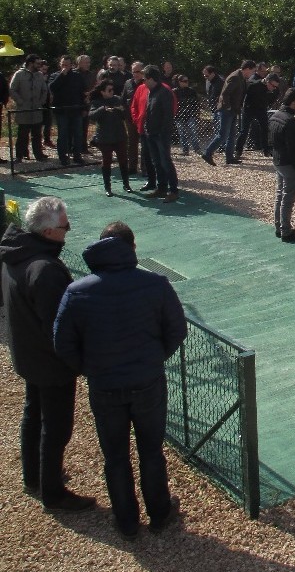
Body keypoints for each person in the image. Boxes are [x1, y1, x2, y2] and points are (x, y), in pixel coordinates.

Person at [54, 221, 187, 539]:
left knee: (115, 455)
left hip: (105, 386)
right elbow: (176, 330)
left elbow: (63, 343)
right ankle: (159, 512)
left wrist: (90, 368)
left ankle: (126, 520)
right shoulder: (156, 284)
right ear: (132, 248)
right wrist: (154, 359)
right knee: (151, 451)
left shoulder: (77, 292)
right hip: (147, 382)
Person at [0, 196, 96, 512]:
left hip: (26, 353)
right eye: (65, 225)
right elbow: (58, 325)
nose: (68, 229)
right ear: (50, 232)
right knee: (56, 426)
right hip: (49, 362)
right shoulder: (45, 270)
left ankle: (34, 476)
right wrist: (75, 359)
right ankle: (53, 491)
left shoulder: (16, 255)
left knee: (33, 413)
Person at [268, 87, 295, 242]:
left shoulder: (275, 116)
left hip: (278, 160)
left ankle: (279, 226)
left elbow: (269, 140)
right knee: (288, 198)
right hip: (288, 163)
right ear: (294, 102)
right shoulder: (290, 121)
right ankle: (286, 230)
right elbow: (294, 148)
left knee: (280, 194)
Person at [202, 60, 255, 166]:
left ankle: (229, 157)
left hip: (233, 110)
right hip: (227, 110)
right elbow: (225, 93)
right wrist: (228, 107)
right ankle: (207, 153)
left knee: (231, 135)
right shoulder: (235, 77)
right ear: (247, 69)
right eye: (252, 71)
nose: (252, 74)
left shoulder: (241, 77)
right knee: (223, 135)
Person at [142, 64, 179, 202]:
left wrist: (163, 133)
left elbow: (168, 115)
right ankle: (161, 187)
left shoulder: (164, 92)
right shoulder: (151, 92)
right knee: (156, 162)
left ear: (151, 79)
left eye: (145, 79)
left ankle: (173, 190)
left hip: (161, 134)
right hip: (151, 133)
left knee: (165, 162)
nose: (143, 82)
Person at [89, 80, 131, 196]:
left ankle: (126, 184)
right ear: (102, 92)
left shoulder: (117, 100)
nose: (112, 92)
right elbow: (91, 116)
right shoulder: (96, 102)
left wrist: (121, 110)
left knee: (123, 160)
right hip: (105, 137)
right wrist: (103, 109)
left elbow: (126, 115)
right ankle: (108, 187)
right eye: (109, 90)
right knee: (107, 161)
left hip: (119, 135)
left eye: (113, 90)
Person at [9, 53, 48, 162]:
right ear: (30, 63)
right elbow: (12, 90)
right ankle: (19, 156)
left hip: (36, 110)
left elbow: (44, 90)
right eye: (37, 63)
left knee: (37, 134)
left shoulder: (39, 75)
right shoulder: (19, 74)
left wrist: (41, 102)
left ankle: (38, 154)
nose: (40, 65)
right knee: (22, 135)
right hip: (23, 110)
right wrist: (20, 101)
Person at [49, 55, 86, 166]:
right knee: (63, 134)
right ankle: (63, 157)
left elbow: (83, 93)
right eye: (63, 65)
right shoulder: (54, 76)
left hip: (76, 110)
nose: (65, 67)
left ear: (71, 65)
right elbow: (52, 88)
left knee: (78, 134)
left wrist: (84, 107)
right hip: (62, 111)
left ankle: (77, 155)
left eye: (67, 65)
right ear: (60, 65)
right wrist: (62, 75)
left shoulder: (77, 76)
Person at [236, 72, 279, 158]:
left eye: (275, 87)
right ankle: (238, 150)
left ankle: (266, 150)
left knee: (265, 128)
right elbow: (245, 98)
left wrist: (267, 102)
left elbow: (272, 99)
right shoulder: (254, 85)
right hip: (249, 108)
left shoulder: (274, 91)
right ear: (267, 81)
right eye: (273, 86)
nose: (274, 88)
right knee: (244, 130)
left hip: (261, 109)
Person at [122, 62, 145, 175]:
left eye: (138, 71)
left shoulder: (146, 84)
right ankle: (132, 167)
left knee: (145, 143)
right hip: (130, 118)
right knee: (132, 143)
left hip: (143, 119)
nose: (135, 74)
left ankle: (145, 168)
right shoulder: (128, 83)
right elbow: (123, 99)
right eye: (133, 71)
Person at [172, 75, 201, 156]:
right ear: (179, 82)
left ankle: (197, 148)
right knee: (182, 133)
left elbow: (196, 103)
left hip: (190, 114)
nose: (187, 83)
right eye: (184, 81)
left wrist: (196, 112)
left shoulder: (191, 91)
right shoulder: (174, 92)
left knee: (193, 132)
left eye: (187, 81)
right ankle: (185, 150)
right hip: (179, 115)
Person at [75, 55, 97, 146]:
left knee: (84, 127)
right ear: (79, 63)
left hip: (87, 103)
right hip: (75, 104)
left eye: (89, 62)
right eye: (86, 62)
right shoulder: (73, 74)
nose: (88, 64)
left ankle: (83, 146)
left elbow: (92, 88)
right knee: (75, 128)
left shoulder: (91, 75)